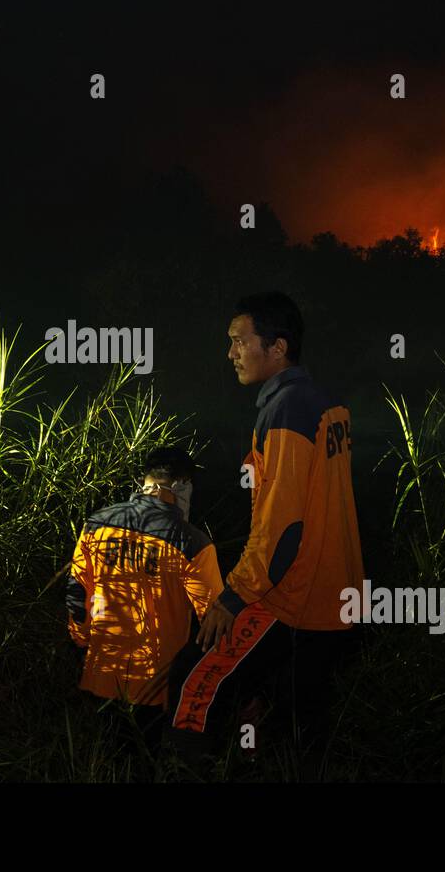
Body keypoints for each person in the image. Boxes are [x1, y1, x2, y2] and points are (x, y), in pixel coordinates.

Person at [166, 291, 365, 773]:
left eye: (239, 341)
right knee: (296, 727)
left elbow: (282, 527)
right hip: (337, 595)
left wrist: (233, 598)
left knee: (194, 679)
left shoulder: (285, 411)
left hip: (294, 595)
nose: (230, 353)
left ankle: (185, 769)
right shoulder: (323, 400)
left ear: (277, 347)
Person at [66, 447, 223, 766]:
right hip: (155, 684)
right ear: (182, 487)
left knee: (104, 760)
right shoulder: (192, 542)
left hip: (102, 673)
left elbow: (76, 593)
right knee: (142, 762)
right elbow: (215, 622)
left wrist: (83, 641)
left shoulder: (97, 523)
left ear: (144, 481)